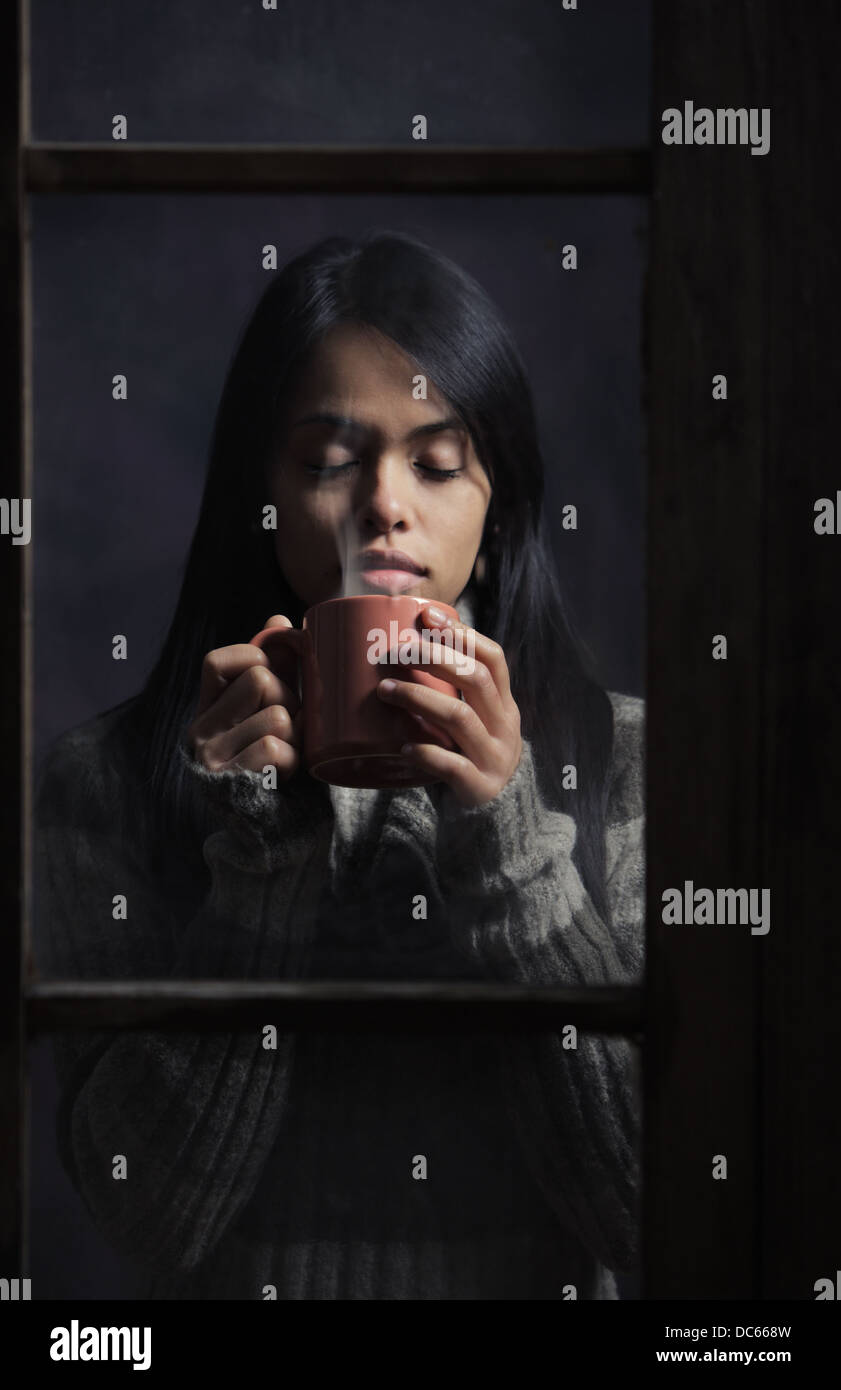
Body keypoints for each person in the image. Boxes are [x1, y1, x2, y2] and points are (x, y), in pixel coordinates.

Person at [34, 230, 645, 1300]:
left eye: (437, 461)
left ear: (496, 508)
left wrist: (508, 842)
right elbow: (146, 1218)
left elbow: (656, 1206)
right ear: (258, 492)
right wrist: (257, 872)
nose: (384, 506)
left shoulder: (627, 761)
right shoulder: (103, 782)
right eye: (327, 461)